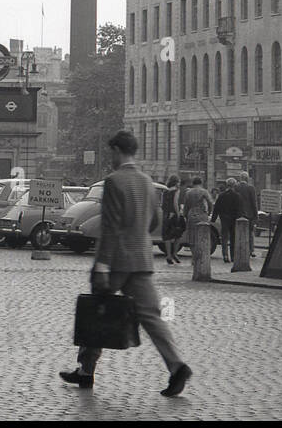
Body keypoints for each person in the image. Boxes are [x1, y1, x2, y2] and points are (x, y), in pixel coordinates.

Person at [60, 131, 191, 398]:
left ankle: (86, 371)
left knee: (96, 312)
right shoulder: (147, 181)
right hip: (141, 258)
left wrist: (102, 266)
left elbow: (109, 227)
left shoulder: (113, 181)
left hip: (117, 260)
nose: (110, 157)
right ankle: (177, 366)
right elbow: (155, 220)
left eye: (111, 152)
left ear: (118, 151)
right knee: (152, 316)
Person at [212, 179, 242, 263]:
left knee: (224, 237)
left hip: (224, 219)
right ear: (234, 185)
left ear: (227, 185)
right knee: (233, 238)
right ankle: (233, 256)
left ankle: (225, 255)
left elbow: (216, 208)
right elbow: (239, 209)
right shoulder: (237, 196)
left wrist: (213, 219)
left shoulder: (221, 195)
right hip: (234, 219)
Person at [234, 174, 259, 260]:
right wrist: (256, 215)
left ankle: (239, 249)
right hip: (249, 214)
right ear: (247, 179)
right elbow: (254, 202)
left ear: (240, 178)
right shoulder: (251, 188)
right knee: (250, 233)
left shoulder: (235, 187)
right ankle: (251, 250)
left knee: (238, 233)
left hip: (237, 214)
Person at [161, 175, 184, 265]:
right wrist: (178, 214)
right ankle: (175, 253)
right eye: (178, 182)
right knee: (178, 235)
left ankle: (168, 255)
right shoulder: (176, 191)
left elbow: (163, 204)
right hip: (173, 214)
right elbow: (175, 203)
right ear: (176, 182)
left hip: (166, 215)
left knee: (167, 236)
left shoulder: (165, 191)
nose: (179, 183)